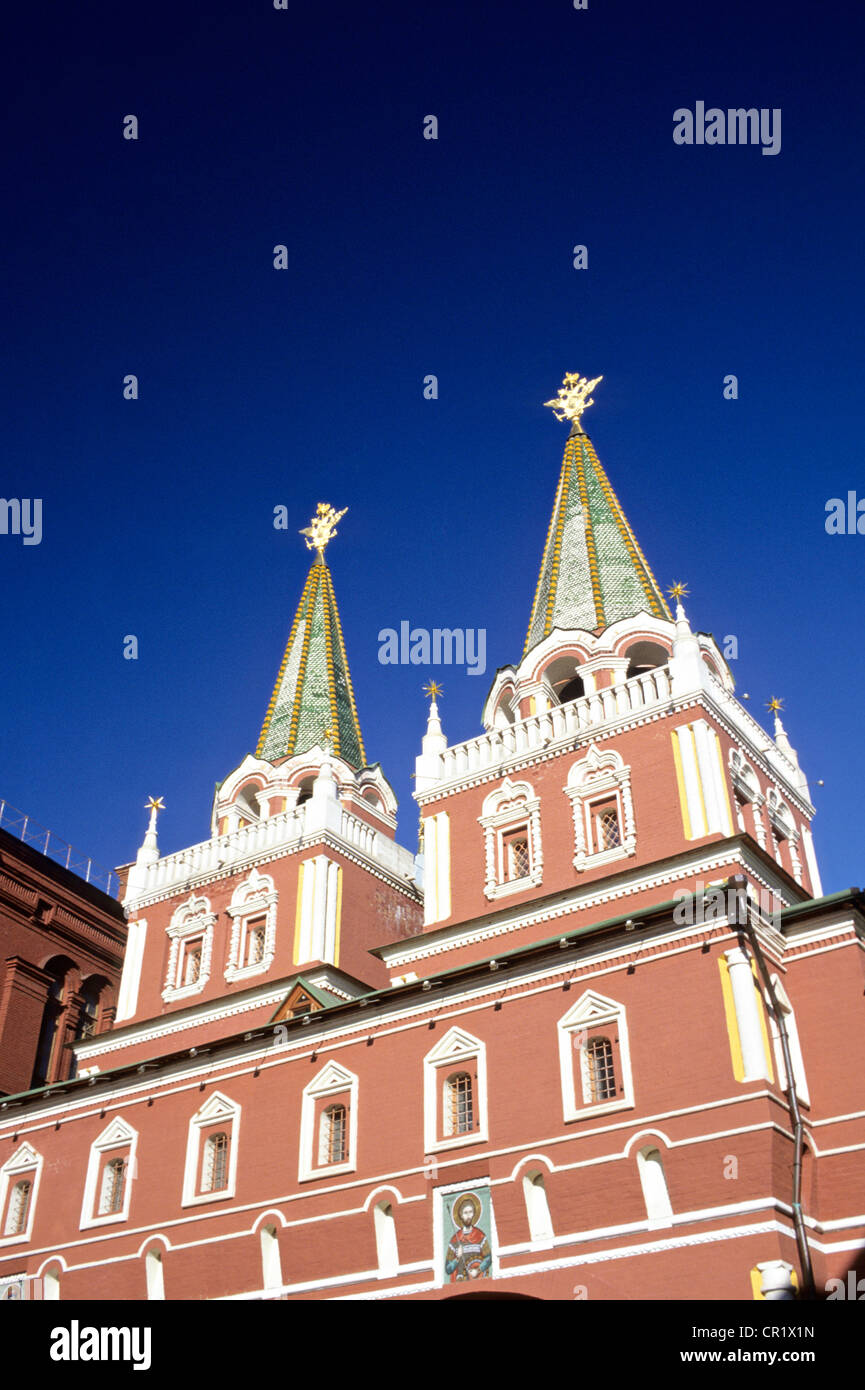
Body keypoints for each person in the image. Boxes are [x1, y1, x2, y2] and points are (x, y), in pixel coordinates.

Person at [445, 1192, 492, 1281]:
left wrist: (478, 1270)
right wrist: (457, 1258)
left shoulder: (480, 1235)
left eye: (470, 1212)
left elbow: (488, 1258)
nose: (468, 1216)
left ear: (474, 1213)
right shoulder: (455, 1239)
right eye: (465, 1213)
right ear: (460, 1215)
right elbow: (448, 1269)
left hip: (477, 1279)